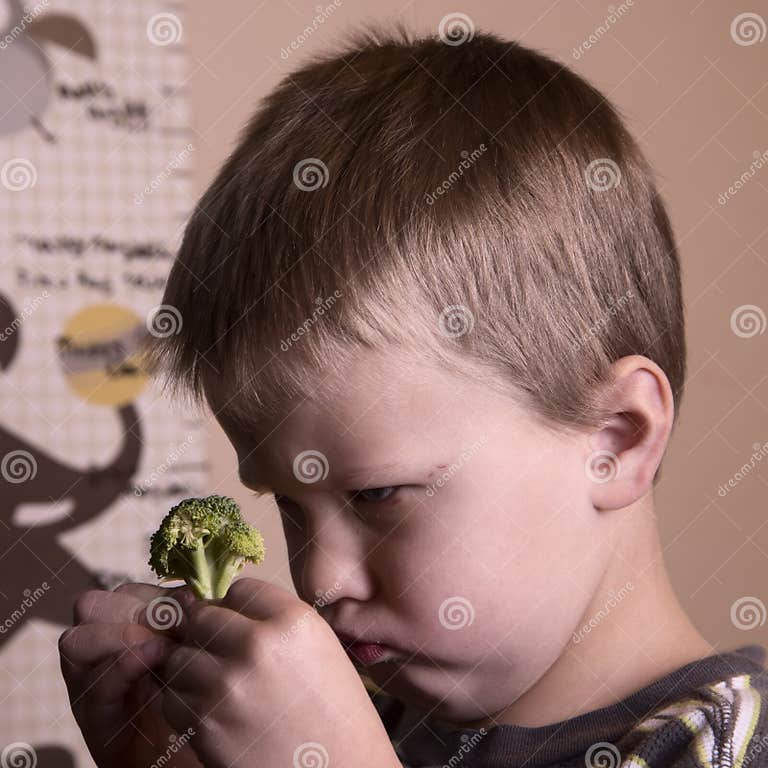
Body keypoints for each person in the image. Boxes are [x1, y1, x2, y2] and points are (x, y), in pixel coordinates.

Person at [59, 22, 768, 768]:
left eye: (377, 494)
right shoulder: (362, 720)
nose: (320, 580)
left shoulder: (728, 745)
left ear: (616, 439)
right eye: (290, 505)